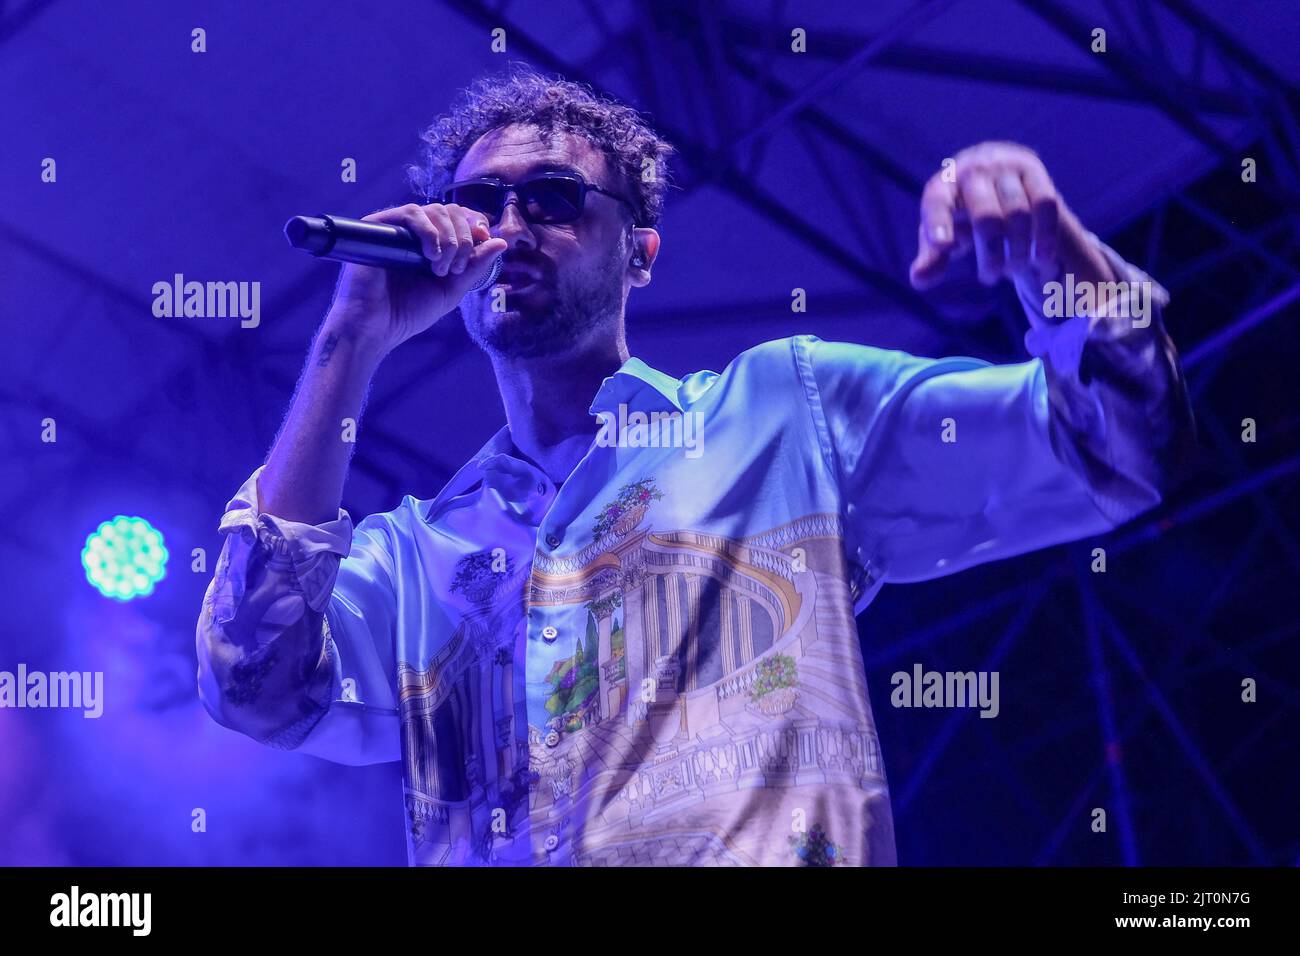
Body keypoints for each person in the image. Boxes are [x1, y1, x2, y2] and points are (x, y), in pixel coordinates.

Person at [196, 65, 1194, 866]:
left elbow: (1117, 442)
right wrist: (350, 339)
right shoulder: (419, 554)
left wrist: (1053, 254)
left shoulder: (782, 410)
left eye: (552, 199)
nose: (511, 227)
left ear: (640, 252)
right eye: (481, 201)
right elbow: (247, 679)